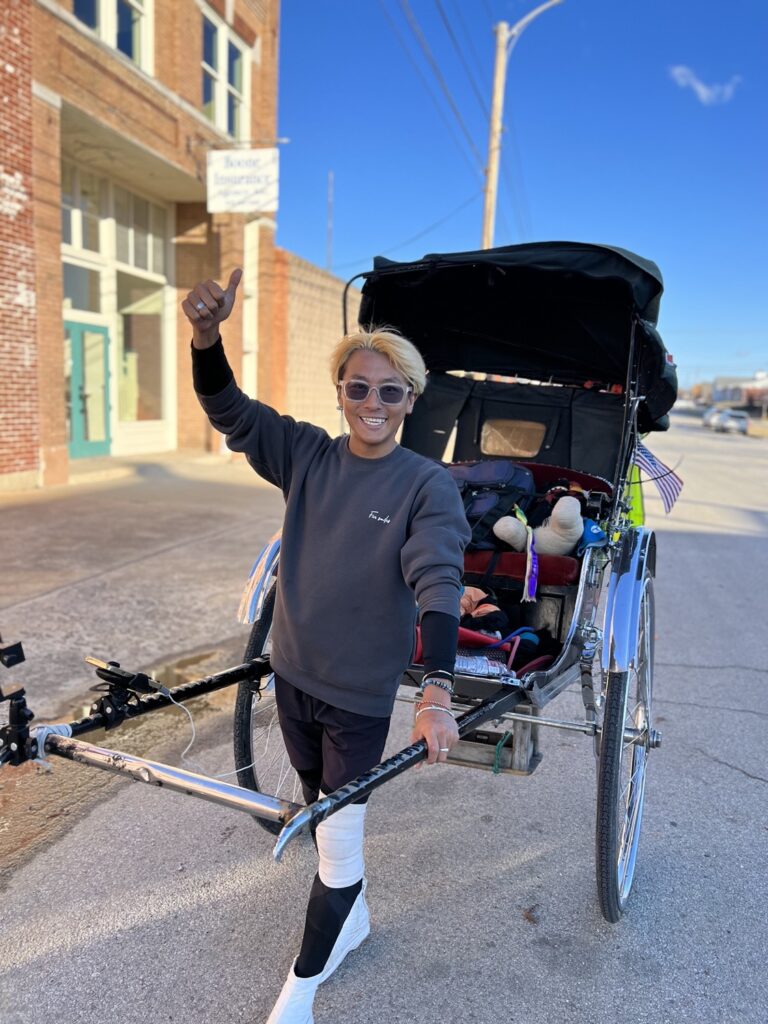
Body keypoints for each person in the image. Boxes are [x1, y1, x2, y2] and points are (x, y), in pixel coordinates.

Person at [182, 269, 470, 1024]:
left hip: (358, 701)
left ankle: (300, 993)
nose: (372, 404)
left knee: (338, 845)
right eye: (358, 388)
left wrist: (437, 691)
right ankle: (358, 920)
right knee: (317, 816)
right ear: (338, 392)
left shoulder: (425, 487)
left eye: (390, 391)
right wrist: (206, 340)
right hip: (292, 680)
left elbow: (438, 583)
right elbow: (230, 411)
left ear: (412, 398)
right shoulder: (307, 455)